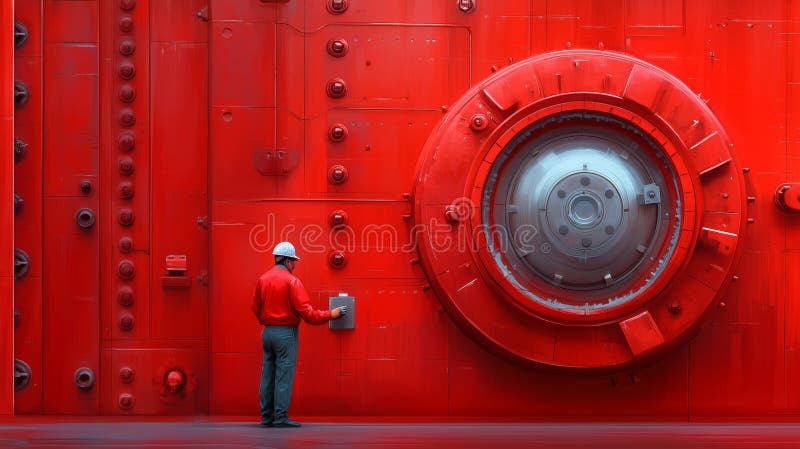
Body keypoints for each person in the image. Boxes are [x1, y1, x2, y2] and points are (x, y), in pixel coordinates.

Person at [251, 241, 347, 428]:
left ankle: (266, 417)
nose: (294, 265)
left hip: (268, 332)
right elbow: (308, 314)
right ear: (287, 261)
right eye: (293, 261)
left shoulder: (262, 279)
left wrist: (266, 322)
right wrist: (332, 314)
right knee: (283, 375)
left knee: (267, 375)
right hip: (286, 334)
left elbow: (254, 307)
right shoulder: (292, 281)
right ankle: (280, 417)